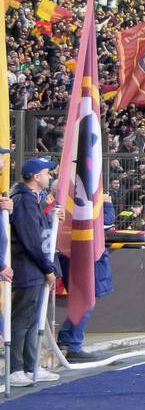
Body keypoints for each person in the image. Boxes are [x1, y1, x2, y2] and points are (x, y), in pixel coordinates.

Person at [7, 158, 64, 387]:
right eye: (46, 173)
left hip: (32, 269)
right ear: (35, 177)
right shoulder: (24, 201)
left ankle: (30, 367)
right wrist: (47, 269)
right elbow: (32, 240)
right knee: (22, 320)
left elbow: (38, 234)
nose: (49, 177)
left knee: (31, 320)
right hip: (28, 269)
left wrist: (51, 219)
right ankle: (16, 369)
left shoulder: (31, 200)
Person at [58, 196, 116, 363]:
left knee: (83, 302)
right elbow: (105, 223)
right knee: (86, 302)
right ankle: (74, 345)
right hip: (85, 258)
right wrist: (106, 204)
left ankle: (66, 336)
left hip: (73, 257)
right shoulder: (79, 207)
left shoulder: (64, 207)